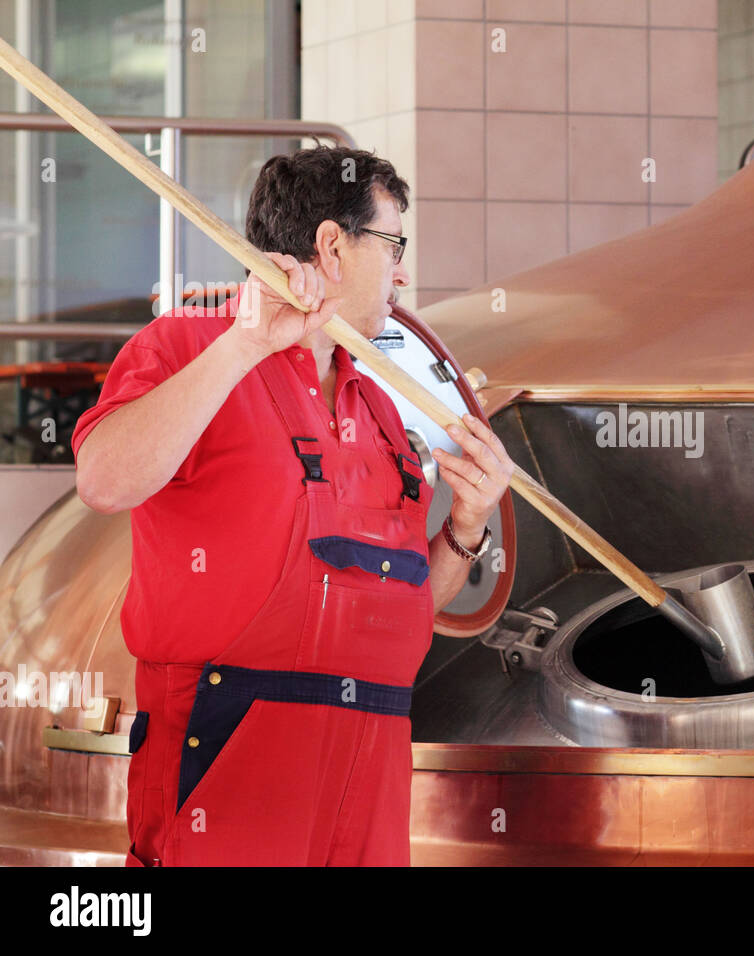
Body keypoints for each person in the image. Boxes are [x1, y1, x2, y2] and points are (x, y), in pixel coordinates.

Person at [71, 146, 512, 865]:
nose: (403, 272)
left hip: (372, 764)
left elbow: (403, 610)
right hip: (229, 749)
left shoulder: (378, 412)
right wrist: (244, 344)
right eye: (395, 245)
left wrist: (466, 529)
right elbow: (104, 482)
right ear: (333, 245)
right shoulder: (189, 345)